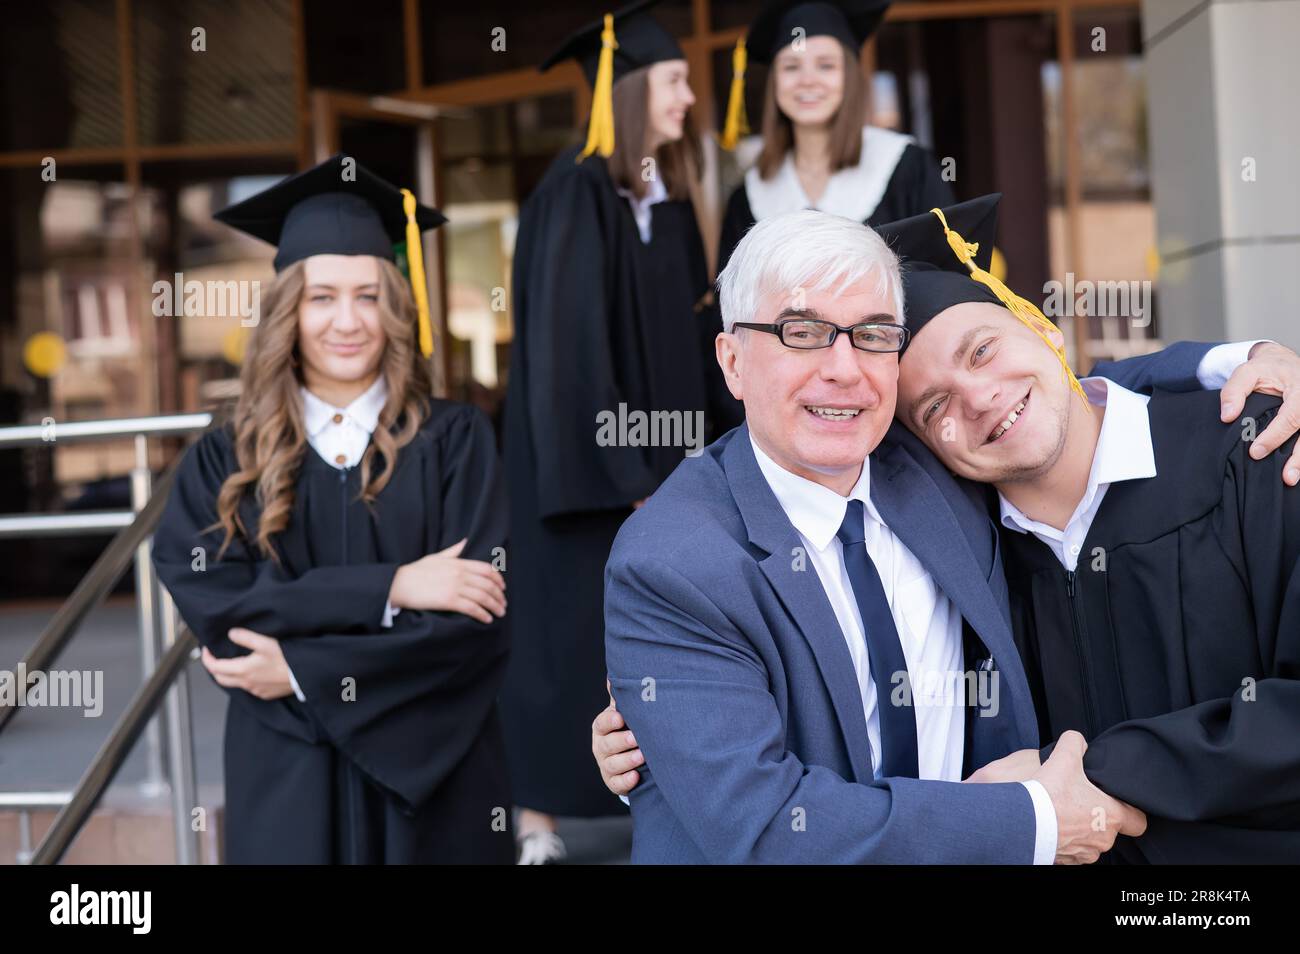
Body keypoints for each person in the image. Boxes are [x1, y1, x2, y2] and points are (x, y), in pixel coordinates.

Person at [592, 203, 1300, 863]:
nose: (843, 369)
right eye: (801, 333)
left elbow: (1059, 394)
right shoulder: (677, 561)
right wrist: (1037, 818)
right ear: (732, 361)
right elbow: (760, 822)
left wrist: (1245, 359)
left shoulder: (930, 470)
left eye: (871, 336)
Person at [882, 196, 1300, 862]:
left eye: (983, 350)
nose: (980, 396)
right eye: (934, 408)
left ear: (1046, 330)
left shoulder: (1253, 452)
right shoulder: (968, 570)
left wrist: (1098, 771)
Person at [153, 154, 512, 864]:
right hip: (288, 777)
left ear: (396, 306)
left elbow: (476, 626)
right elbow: (225, 613)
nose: (346, 321)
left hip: (433, 777)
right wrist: (393, 587)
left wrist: (298, 670)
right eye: (321, 297)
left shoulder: (455, 441)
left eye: (367, 295)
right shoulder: (225, 460)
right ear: (288, 309)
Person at [500, 0, 729, 864]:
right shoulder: (572, 195)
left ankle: (669, 798)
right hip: (585, 471)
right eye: (673, 83)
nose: (685, 102)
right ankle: (537, 824)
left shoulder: (666, 202)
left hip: (663, 466)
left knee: (662, 636)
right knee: (562, 640)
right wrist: (624, 467)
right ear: (629, 90)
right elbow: (569, 353)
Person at [715, 0, 952, 278]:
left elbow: (945, 278)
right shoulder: (749, 196)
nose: (807, 80)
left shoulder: (907, 169)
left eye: (825, 66)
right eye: (791, 67)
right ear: (775, 83)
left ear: (849, 77)